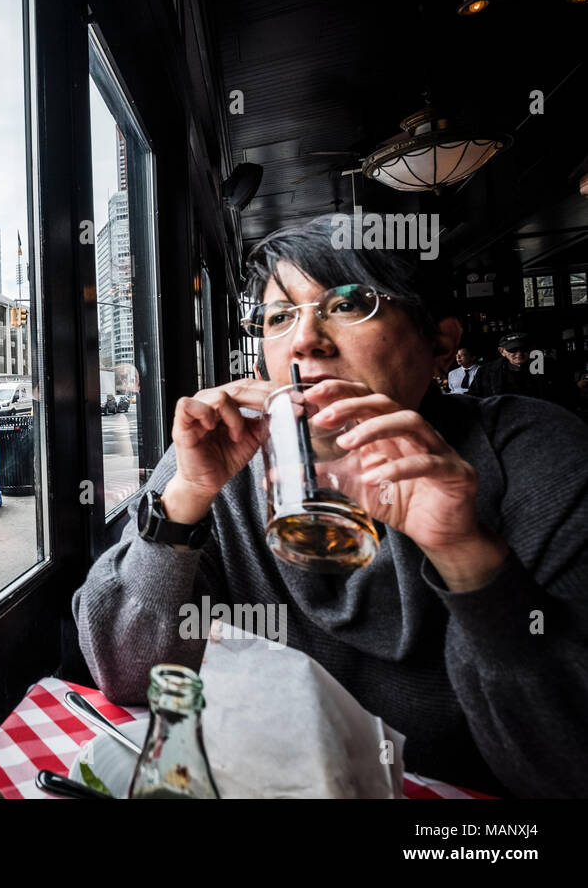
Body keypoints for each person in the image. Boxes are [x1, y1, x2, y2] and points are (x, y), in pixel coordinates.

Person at [72, 215, 588, 798]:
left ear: (440, 345)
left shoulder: (539, 460)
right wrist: (182, 501)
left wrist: (467, 555)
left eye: (347, 305)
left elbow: (568, 765)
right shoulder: (224, 459)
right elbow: (122, 670)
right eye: (279, 316)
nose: (304, 340)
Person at [467, 332, 575, 409]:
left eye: (523, 349)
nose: (519, 354)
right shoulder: (486, 371)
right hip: (502, 423)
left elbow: (567, 395)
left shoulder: (550, 367)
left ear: (532, 348)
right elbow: (473, 398)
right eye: (512, 350)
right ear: (502, 351)